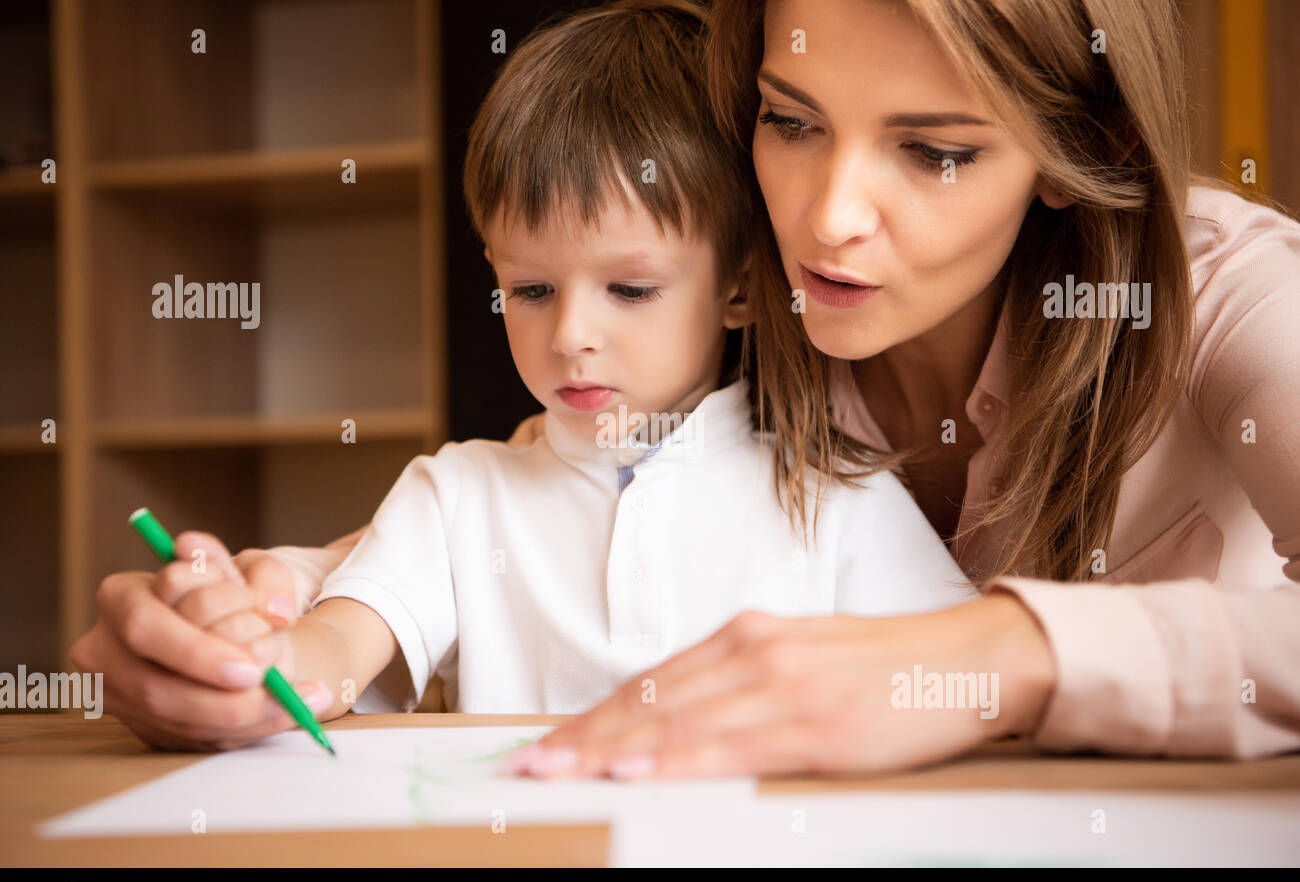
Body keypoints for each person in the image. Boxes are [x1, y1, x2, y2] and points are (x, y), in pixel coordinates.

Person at [75, 0, 1300, 775]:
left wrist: (1014, 649)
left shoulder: (1228, 297)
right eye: (789, 120)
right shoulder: (750, 300)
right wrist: (272, 613)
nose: (824, 222)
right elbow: (538, 515)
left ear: (1088, 151)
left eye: (934, 151)